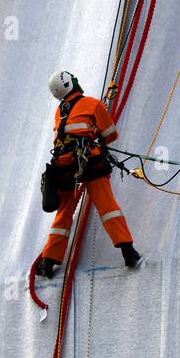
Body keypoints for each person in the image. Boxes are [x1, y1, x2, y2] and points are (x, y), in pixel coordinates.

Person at [35, 70, 141, 277]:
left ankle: (48, 262)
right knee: (107, 206)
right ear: (70, 83)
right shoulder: (93, 104)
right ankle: (128, 252)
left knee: (64, 214)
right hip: (90, 164)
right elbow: (111, 135)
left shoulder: (60, 111)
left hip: (63, 168)